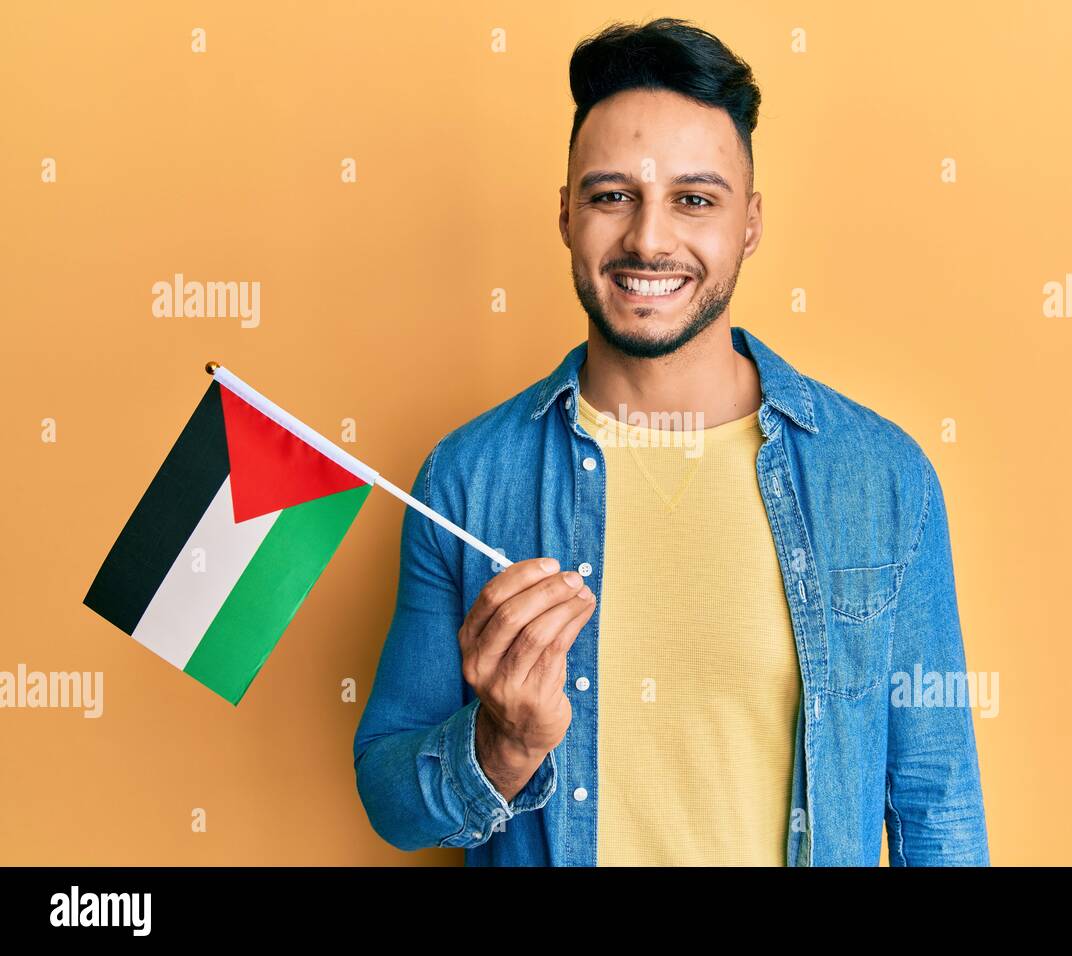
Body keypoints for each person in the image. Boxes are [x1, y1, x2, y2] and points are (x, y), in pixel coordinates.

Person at [353, 17, 989, 866]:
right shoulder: (470, 478)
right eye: (612, 195)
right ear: (567, 215)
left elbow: (936, 805)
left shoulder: (879, 475)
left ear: (750, 224)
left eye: (694, 199)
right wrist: (502, 745)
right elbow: (392, 801)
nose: (649, 239)